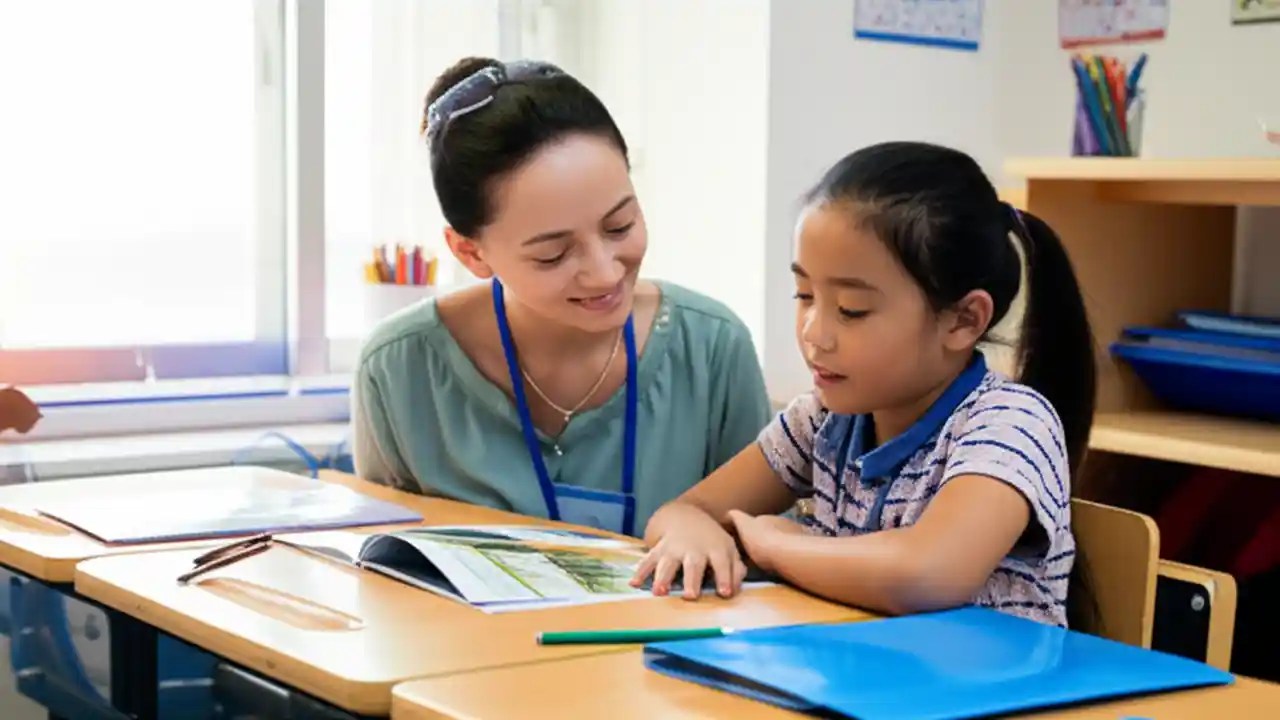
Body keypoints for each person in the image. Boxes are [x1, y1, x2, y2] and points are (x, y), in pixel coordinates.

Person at [633, 141, 1096, 627]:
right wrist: (690, 532)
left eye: (852, 310)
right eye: (804, 294)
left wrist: (774, 545)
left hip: (991, 697)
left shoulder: (1010, 423)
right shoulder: (823, 420)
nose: (814, 331)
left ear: (963, 320)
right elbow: (684, 511)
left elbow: (928, 573)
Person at [350, 57, 771, 537]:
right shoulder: (398, 369)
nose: (604, 272)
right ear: (471, 253)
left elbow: (768, 559)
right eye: (553, 254)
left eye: (620, 226)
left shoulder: (713, 348)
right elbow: (390, 569)